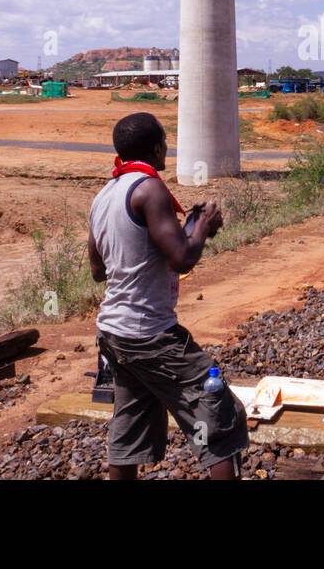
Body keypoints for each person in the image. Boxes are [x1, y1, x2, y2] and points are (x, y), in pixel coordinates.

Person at [88, 112, 248, 481]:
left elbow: (98, 271)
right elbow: (181, 258)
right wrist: (203, 226)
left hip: (114, 335)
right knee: (218, 416)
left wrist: (188, 228)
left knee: (129, 428)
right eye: (164, 141)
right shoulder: (150, 189)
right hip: (150, 334)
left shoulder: (104, 195)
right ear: (158, 146)